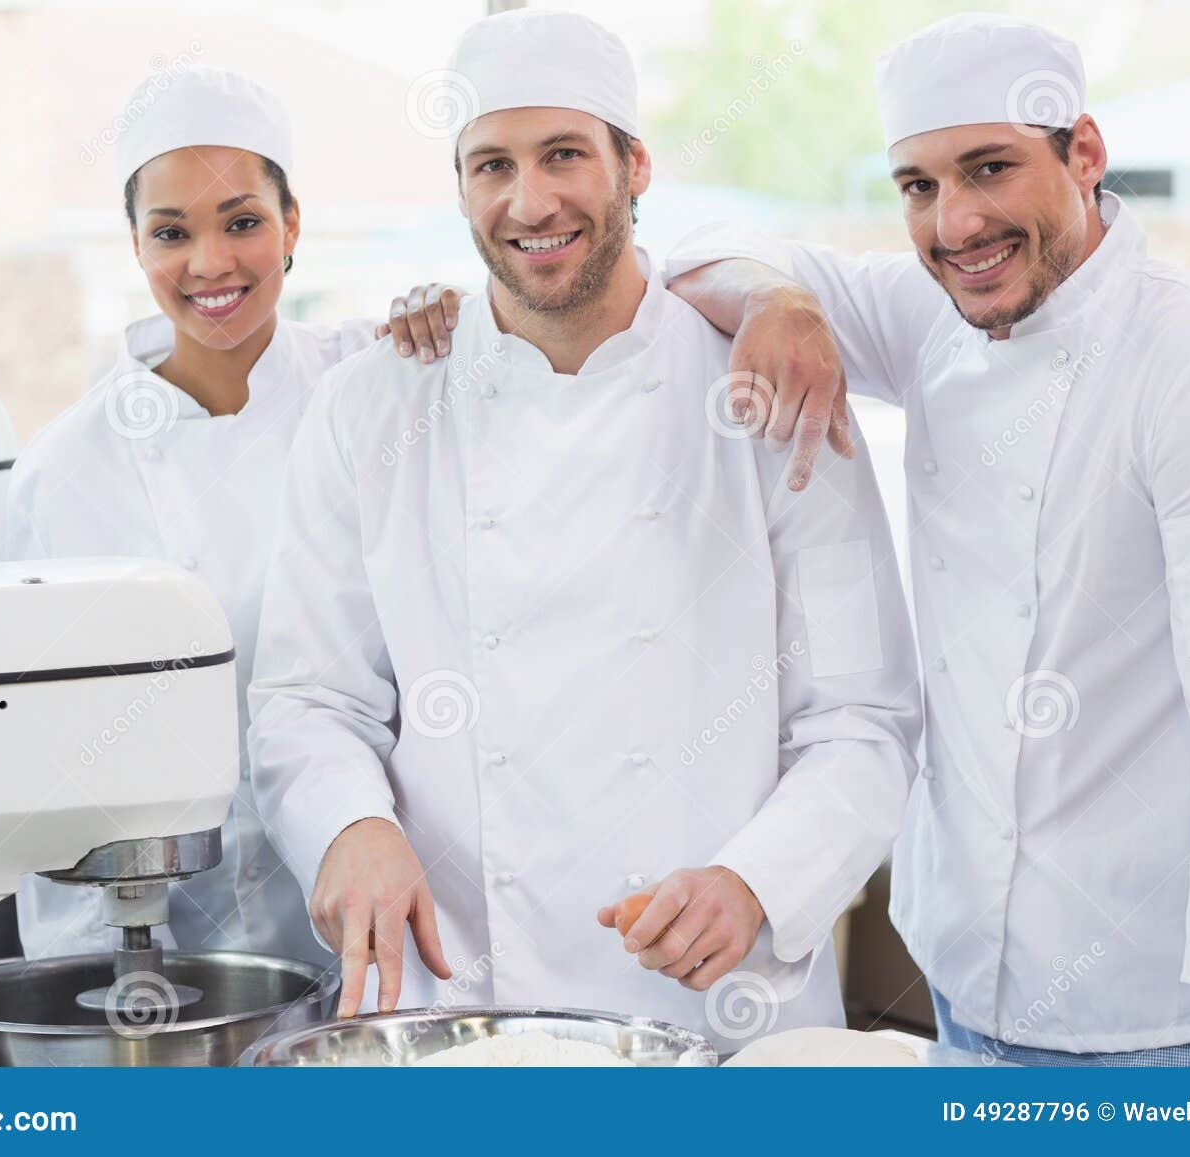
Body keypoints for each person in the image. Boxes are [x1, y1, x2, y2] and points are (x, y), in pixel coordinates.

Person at [386, 11, 1190, 1068]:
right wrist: (782, 299)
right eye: (918, 185)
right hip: (967, 995)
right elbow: (695, 257)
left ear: (1082, 153)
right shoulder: (929, 315)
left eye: (989, 169)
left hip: (1163, 1023)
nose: (956, 222)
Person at [248, 9, 921, 1051]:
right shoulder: (371, 408)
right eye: (492, 165)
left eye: (564, 154)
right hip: (463, 1000)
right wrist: (351, 823)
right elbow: (307, 699)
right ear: (461, 185)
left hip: (716, 1003)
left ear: (634, 165)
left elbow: (864, 718)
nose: (530, 200)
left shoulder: (767, 389)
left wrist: (756, 879)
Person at [6, 66, 377, 964]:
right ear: (134, 245)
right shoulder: (66, 470)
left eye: (242, 221)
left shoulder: (370, 393)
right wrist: (106, 979)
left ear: (293, 224)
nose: (210, 263)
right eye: (171, 231)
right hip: (151, 963)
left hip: (370, 929)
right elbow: (45, 757)